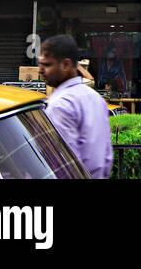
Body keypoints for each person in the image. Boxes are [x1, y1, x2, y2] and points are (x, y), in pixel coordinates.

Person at [38, 35, 114, 178]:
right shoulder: (95, 98)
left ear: (66, 65)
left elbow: (63, 165)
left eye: (47, 64)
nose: (40, 70)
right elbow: (105, 156)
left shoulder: (60, 105)